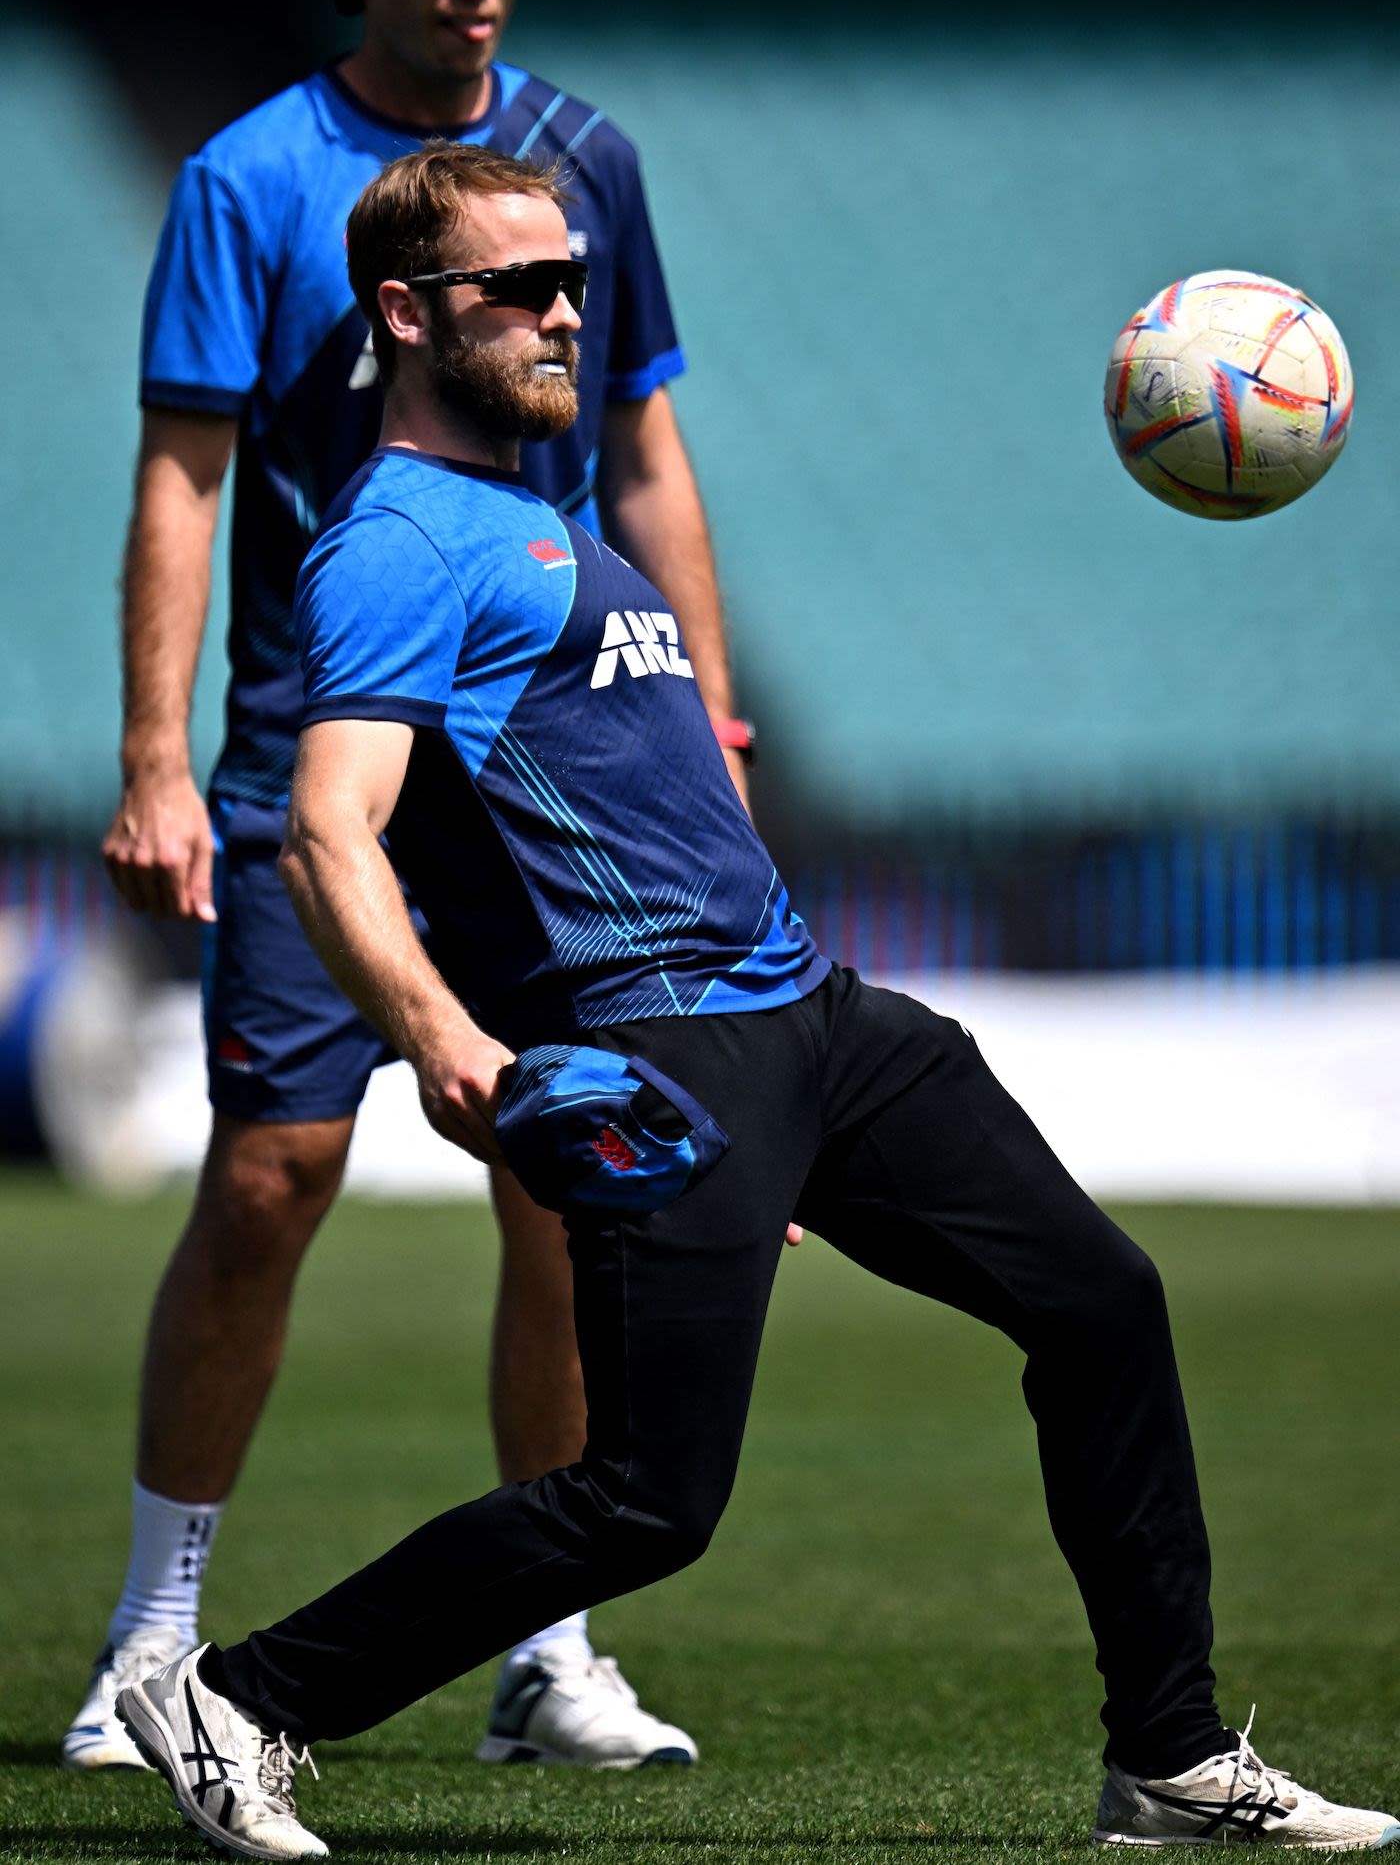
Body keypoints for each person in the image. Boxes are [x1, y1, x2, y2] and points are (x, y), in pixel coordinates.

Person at [115, 142, 1399, 1862]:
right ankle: (239, 1700)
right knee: (648, 1501)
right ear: (409, 316)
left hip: (818, 1024)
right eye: (523, 288)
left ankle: (1166, 1758)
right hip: (668, 1049)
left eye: (575, 281)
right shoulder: (396, 543)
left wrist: (797, 1126)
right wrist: (450, 1044)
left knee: (1102, 1304)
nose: (569, 311)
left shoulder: (542, 517)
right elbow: (328, 835)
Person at [69, 0, 747, 1774]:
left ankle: (552, 1656)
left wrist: (693, 710)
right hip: (320, 746)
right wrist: (153, 760)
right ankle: (150, 1639)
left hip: (542, 766)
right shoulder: (247, 178)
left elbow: (642, 451)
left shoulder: (582, 162)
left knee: (564, 1185)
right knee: (274, 1175)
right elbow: (184, 478)